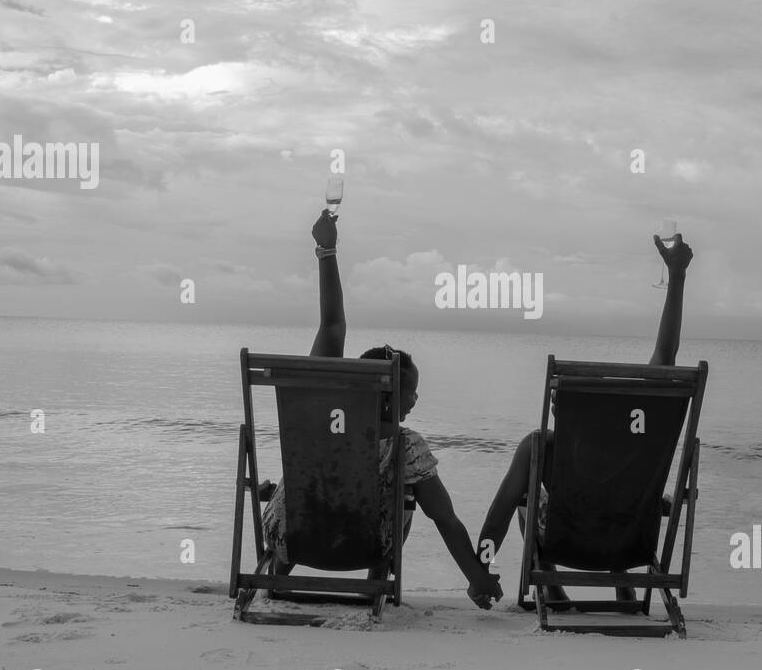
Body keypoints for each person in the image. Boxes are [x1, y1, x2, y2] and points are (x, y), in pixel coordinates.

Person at [259, 210, 504, 609]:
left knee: (300, 486)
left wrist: (326, 250)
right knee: (405, 502)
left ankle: (276, 575)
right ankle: (376, 583)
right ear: (390, 394)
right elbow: (446, 520)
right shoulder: (407, 446)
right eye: (412, 392)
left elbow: (332, 326)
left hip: (293, 537)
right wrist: (478, 578)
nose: (415, 400)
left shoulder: (319, 416)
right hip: (366, 546)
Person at [474, 233, 694, 607]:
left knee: (526, 500)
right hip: (628, 542)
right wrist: (677, 277)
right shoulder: (633, 442)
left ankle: (553, 588)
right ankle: (623, 585)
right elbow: (666, 353)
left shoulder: (541, 447)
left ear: (562, 410)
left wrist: (480, 574)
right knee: (622, 502)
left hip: (568, 540)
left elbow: (498, 515)